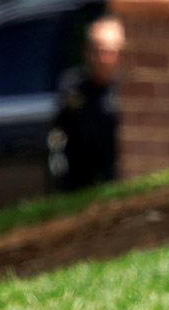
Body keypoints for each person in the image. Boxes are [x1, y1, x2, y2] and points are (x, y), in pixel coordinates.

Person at [49, 16, 125, 192]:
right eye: (96, 51)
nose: (102, 58)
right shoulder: (73, 86)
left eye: (109, 52)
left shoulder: (130, 92)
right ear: (86, 51)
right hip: (79, 182)